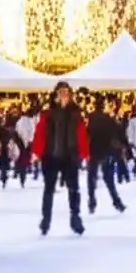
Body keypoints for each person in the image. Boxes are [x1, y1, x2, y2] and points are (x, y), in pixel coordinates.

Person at [32, 81, 90, 236]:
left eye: (66, 93)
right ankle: (46, 220)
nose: (64, 95)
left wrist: (84, 153)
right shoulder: (47, 113)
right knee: (49, 189)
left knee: (74, 189)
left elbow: (82, 134)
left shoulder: (76, 113)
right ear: (56, 95)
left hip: (70, 156)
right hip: (51, 155)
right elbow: (40, 133)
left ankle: (75, 218)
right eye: (61, 92)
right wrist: (36, 152)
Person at [85, 97, 128, 215]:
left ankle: (92, 201)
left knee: (91, 177)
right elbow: (119, 131)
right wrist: (125, 145)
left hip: (93, 150)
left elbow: (86, 133)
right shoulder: (108, 119)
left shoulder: (91, 118)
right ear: (103, 107)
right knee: (108, 178)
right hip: (106, 150)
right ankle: (117, 202)